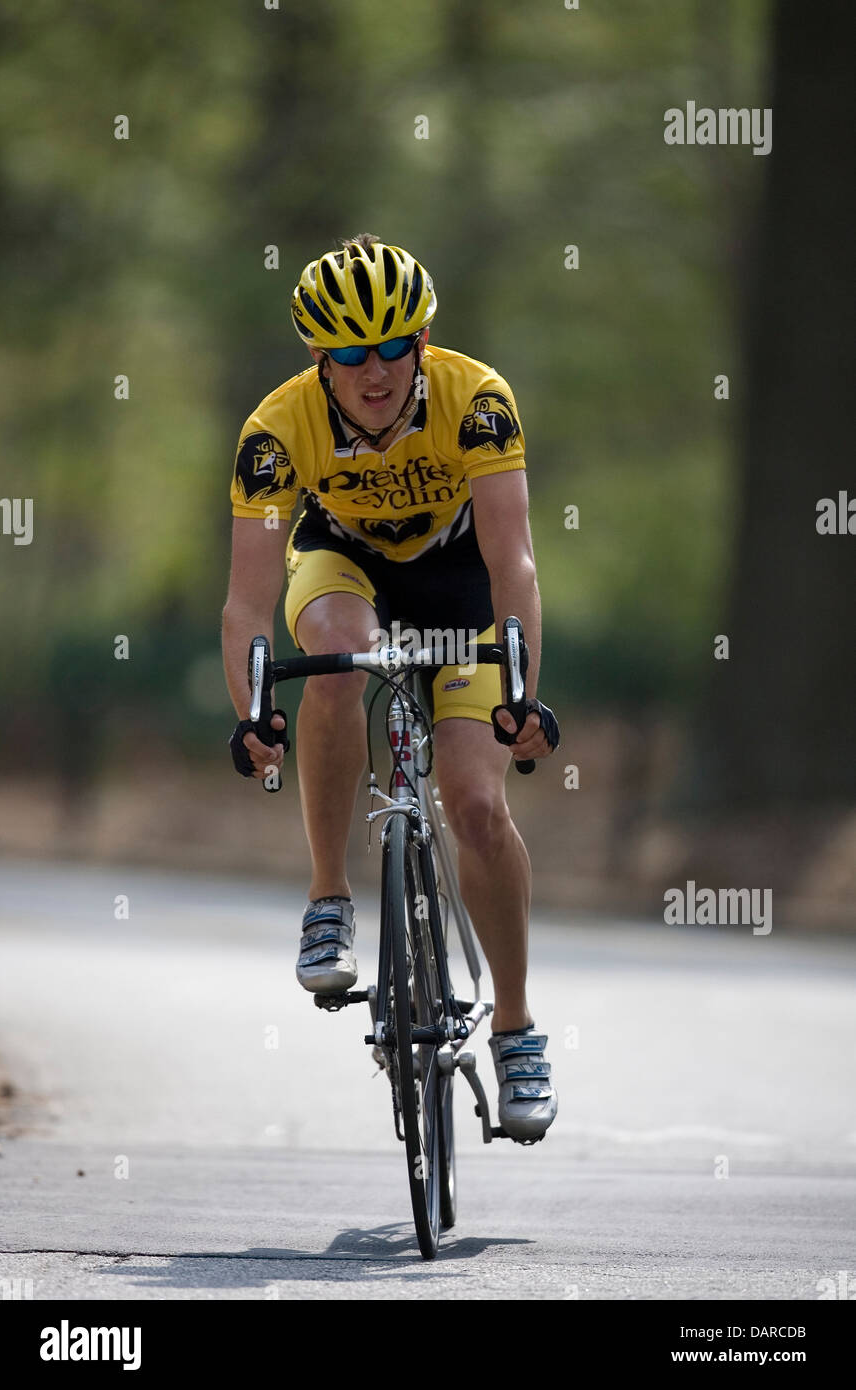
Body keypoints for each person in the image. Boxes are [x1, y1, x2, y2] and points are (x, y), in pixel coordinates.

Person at [222, 235, 560, 1142]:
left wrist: (521, 693)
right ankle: (329, 896)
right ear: (317, 361)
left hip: (461, 587)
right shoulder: (274, 430)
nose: (372, 372)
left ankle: (517, 1027)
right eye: (347, 354)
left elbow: (513, 559)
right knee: (337, 657)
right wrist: (252, 712)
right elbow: (249, 599)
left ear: (422, 343)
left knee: (475, 804)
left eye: (392, 347)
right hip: (346, 571)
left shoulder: (477, 400)